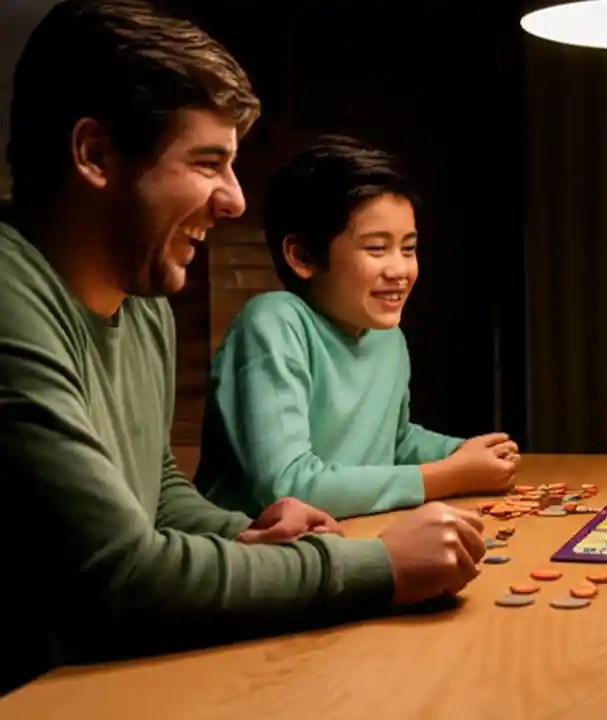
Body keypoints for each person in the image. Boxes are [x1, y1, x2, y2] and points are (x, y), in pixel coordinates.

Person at [0, 0, 484, 693]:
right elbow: (121, 576)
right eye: (207, 163)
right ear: (95, 154)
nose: (232, 201)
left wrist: (242, 531)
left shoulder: (142, 307)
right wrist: (378, 566)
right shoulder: (10, 298)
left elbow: (154, 491)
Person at [194, 135, 518, 519]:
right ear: (302, 255)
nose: (399, 270)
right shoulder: (273, 323)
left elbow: (394, 442)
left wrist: (463, 453)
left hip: (345, 540)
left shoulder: (386, 336)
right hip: (255, 558)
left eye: (408, 248)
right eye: (376, 248)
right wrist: (451, 476)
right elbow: (289, 486)